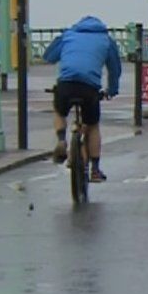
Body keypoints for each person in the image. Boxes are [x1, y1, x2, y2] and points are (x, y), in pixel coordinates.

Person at [43, 16, 121, 182]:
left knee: (59, 111)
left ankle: (62, 140)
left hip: (66, 84)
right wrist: (112, 90)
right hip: (89, 88)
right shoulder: (106, 40)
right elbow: (115, 69)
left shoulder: (68, 35)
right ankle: (95, 169)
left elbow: (48, 57)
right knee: (92, 126)